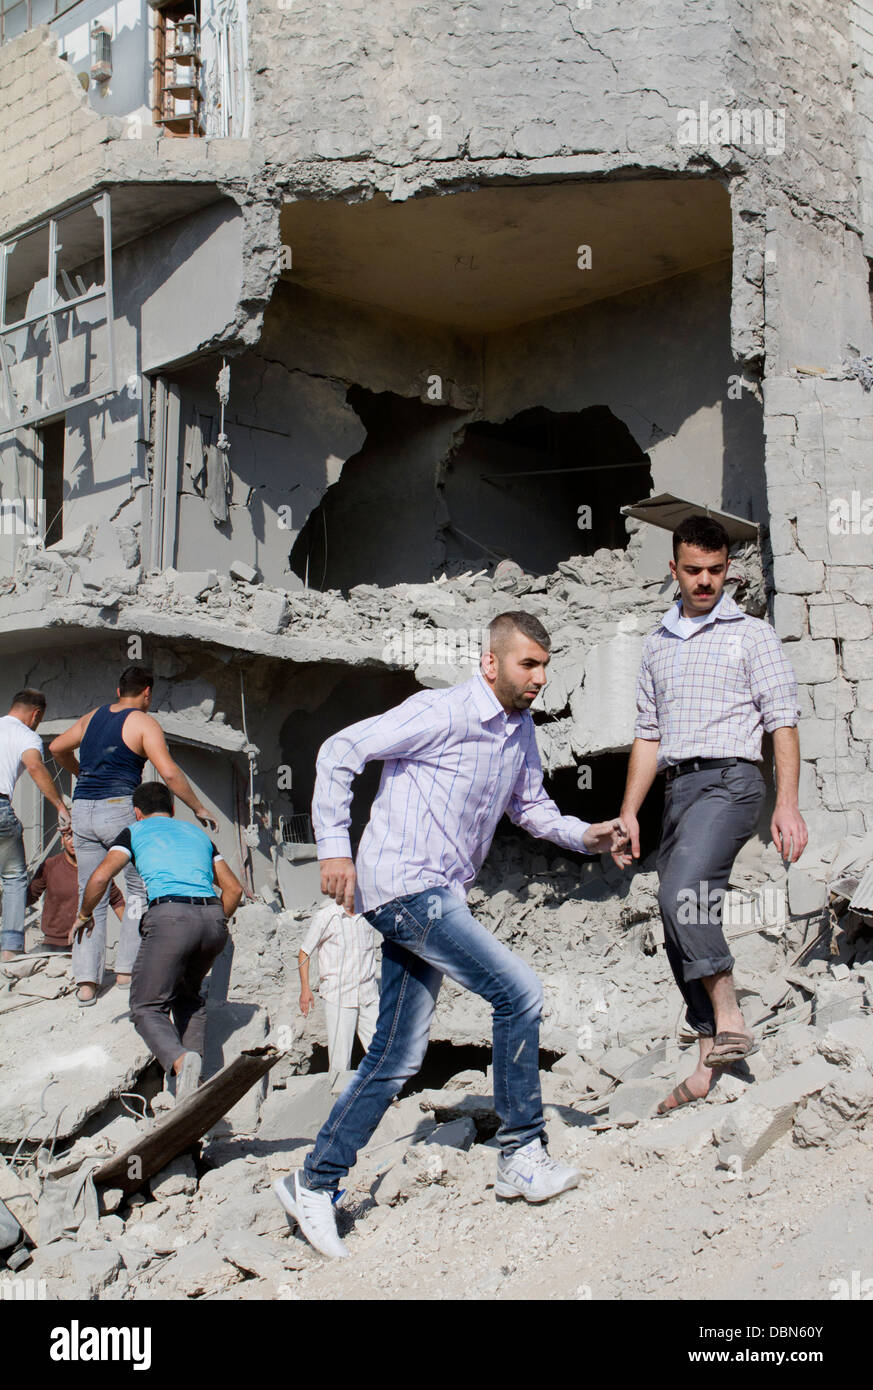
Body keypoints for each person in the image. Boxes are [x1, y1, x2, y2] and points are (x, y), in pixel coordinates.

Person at [274, 610, 628, 1259]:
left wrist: (585, 835)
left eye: (545, 666)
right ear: (491, 662)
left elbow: (530, 808)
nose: (540, 678)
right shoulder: (440, 712)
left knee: (395, 1057)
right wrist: (333, 849)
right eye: (528, 664)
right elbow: (339, 751)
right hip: (404, 886)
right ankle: (521, 1152)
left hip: (435, 892)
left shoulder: (519, 734)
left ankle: (312, 1181)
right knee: (517, 991)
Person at [612, 514, 807, 1114]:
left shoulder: (752, 636)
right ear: (673, 569)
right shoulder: (656, 645)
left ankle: (728, 1015)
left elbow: (782, 721)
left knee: (680, 893)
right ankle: (708, 1054)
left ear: (729, 570)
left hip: (733, 781)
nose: (704, 581)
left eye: (716, 571)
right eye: (693, 571)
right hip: (679, 790)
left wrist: (788, 804)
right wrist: (629, 814)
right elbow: (648, 735)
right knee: (675, 916)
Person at [50, 667, 219, 1006]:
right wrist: (199, 808)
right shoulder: (143, 722)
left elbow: (56, 747)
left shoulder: (91, 718)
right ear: (146, 693)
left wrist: (81, 773)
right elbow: (169, 772)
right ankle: (127, 969)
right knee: (139, 886)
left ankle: (86, 981)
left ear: (117, 690)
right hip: (119, 807)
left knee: (90, 888)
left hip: (82, 807)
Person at [73, 781, 243, 1096]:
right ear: (174, 809)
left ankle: (179, 1061)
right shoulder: (198, 835)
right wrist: (217, 920)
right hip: (213, 918)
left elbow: (99, 877)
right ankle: (189, 1089)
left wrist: (84, 915)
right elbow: (234, 890)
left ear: (137, 813)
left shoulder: (134, 832)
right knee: (188, 998)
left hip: (169, 918)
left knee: (145, 1006)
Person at [0, 689, 71, 963]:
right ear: (36, 714)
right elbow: (34, 767)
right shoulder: (27, 735)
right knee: (14, 877)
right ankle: (10, 950)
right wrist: (60, 806)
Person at [298, 902, 379, 1083]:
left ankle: (389, 1097)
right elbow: (304, 952)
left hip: (368, 994)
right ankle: (337, 1101)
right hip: (339, 996)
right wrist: (305, 989)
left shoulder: (369, 912)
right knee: (340, 1061)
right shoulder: (326, 917)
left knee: (382, 1049)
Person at [27, 824, 124, 953]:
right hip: (54, 944)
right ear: (62, 840)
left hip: (86, 941)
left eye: (78, 836)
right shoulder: (50, 865)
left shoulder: (97, 869)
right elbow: (30, 896)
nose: (73, 842)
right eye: (68, 836)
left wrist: (133, 932)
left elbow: (117, 901)